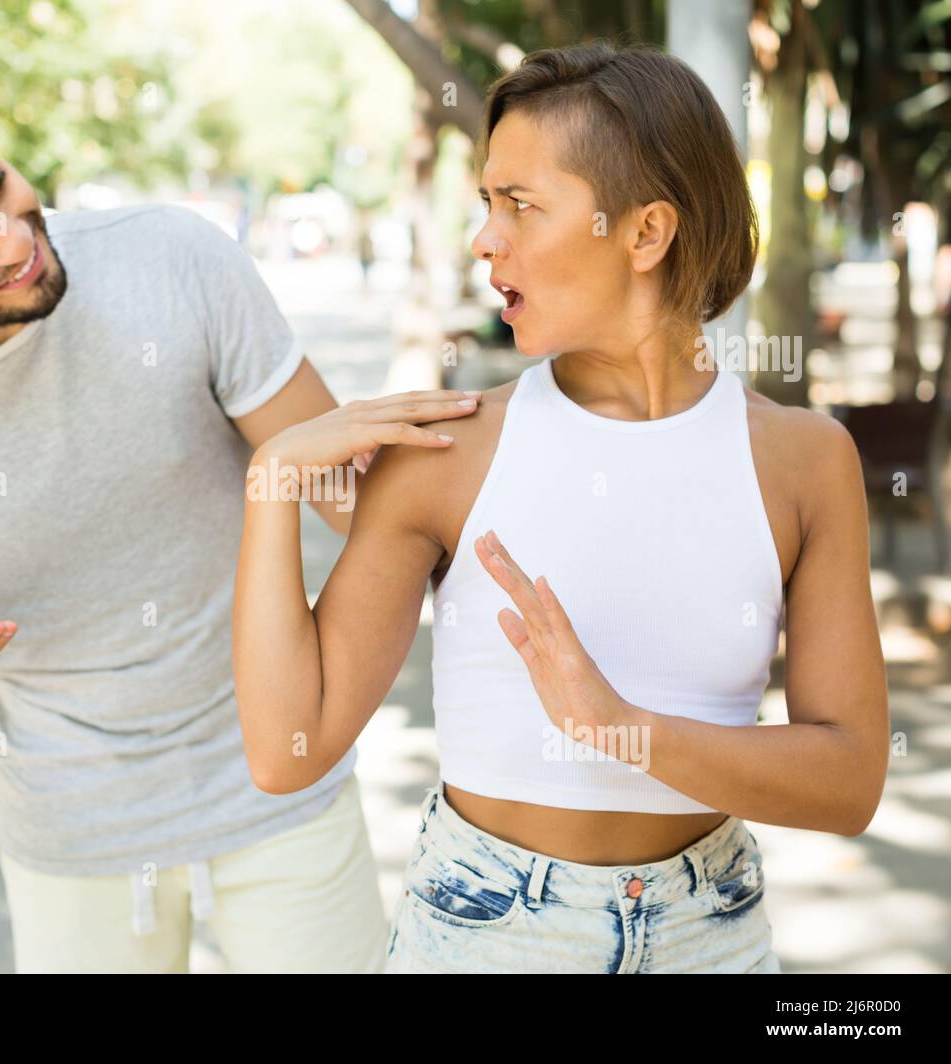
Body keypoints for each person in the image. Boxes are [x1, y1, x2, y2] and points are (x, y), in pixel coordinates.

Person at [0, 72, 477, 973]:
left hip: (279, 781)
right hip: (73, 826)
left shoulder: (172, 256)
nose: (12, 237)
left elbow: (356, 503)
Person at [233, 41, 890, 974]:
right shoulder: (446, 453)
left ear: (645, 233)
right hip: (486, 934)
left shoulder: (805, 460)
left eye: (521, 205)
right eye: (486, 205)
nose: (485, 239)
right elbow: (285, 752)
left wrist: (619, 726)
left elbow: (850, 780)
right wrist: (270, 486)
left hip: (713, 937)